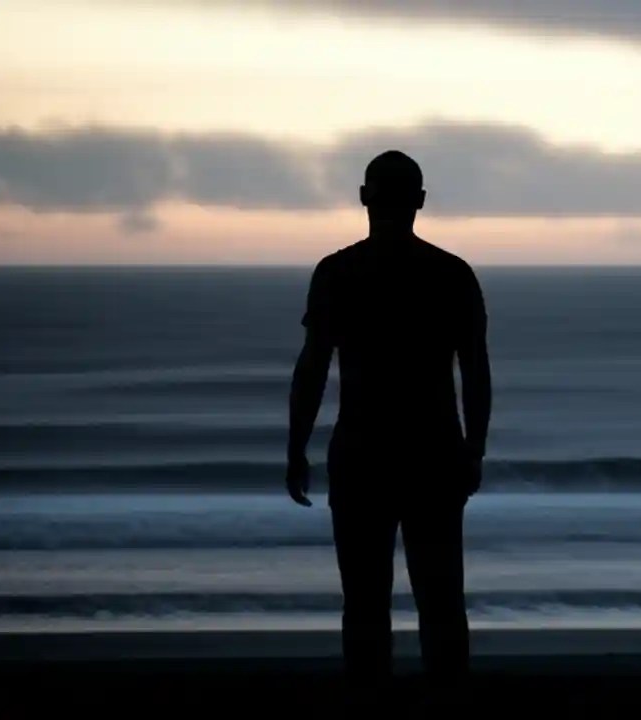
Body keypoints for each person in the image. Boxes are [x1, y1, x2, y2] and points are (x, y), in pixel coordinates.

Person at [284, 150, 492, 703]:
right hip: (434, 454)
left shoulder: (338, 273)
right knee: (441, 600)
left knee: (364, 604)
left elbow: (312, 367)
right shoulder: (451, 275)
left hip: (361, 455)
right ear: (420, 201)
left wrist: (296, 447)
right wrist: (474, 449)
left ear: (363, 197)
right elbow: (476, 372)